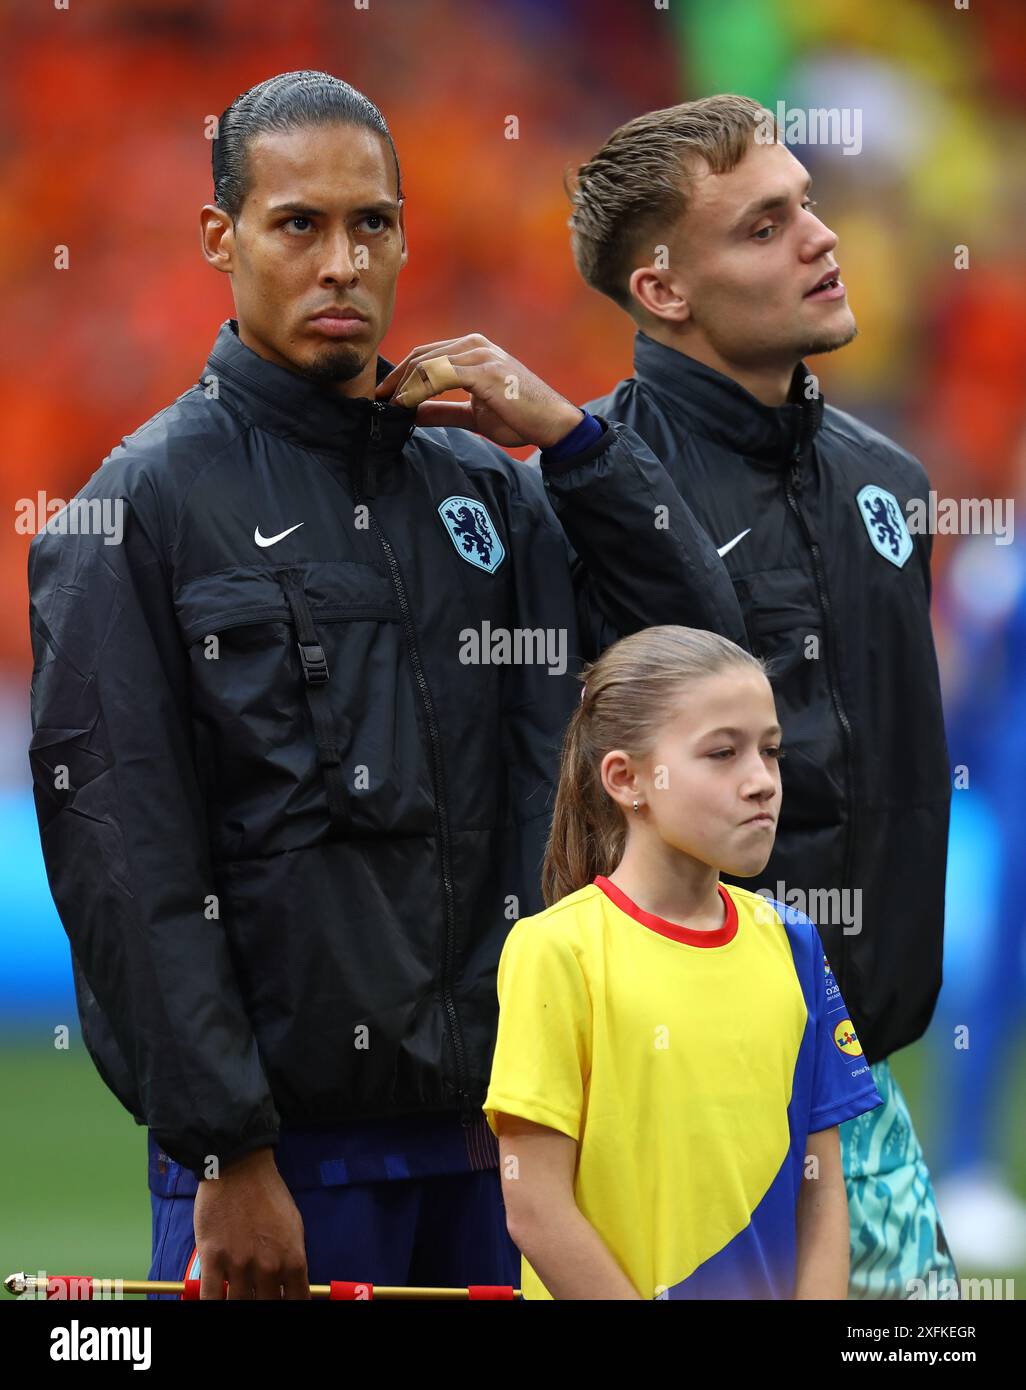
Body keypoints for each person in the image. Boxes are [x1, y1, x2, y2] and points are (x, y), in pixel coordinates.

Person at [26, 72, 744, 1301]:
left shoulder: (485, 489)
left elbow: (709, 667)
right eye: (299, 224)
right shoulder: (133, 513)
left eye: (374, 226)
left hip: (518, 1152)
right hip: (289, 1168)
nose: (344, 261)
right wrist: (226, 1147)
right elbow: (128, 865)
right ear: (222, 237)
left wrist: (575, 444)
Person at [564, 93, 956, 1299]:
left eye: (810, 206)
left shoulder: (887, 482)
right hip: (675, 1109)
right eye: (764, 225)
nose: (820, 237)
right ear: (663, 290)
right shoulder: (572, 500)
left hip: (867, 1091)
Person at [483, 626, 883, 1299]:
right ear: (627, 779)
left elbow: (821, 1193)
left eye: (771, 751)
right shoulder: (557, 951)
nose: (761, 782)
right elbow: (536, 1209)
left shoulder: (793, 943)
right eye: (723, 753)